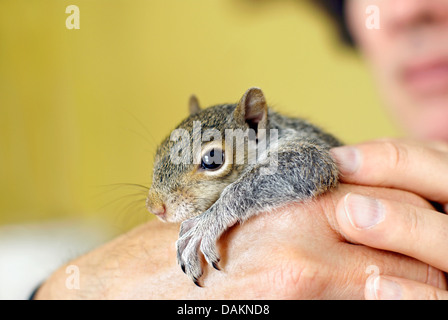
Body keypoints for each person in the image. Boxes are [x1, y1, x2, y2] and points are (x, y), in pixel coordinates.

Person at [35, 0, 448, 299]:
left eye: (212, 160)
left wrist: (223, 212)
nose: (406, 10)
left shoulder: (284, 147)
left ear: (253, 126)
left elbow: (310, 171)